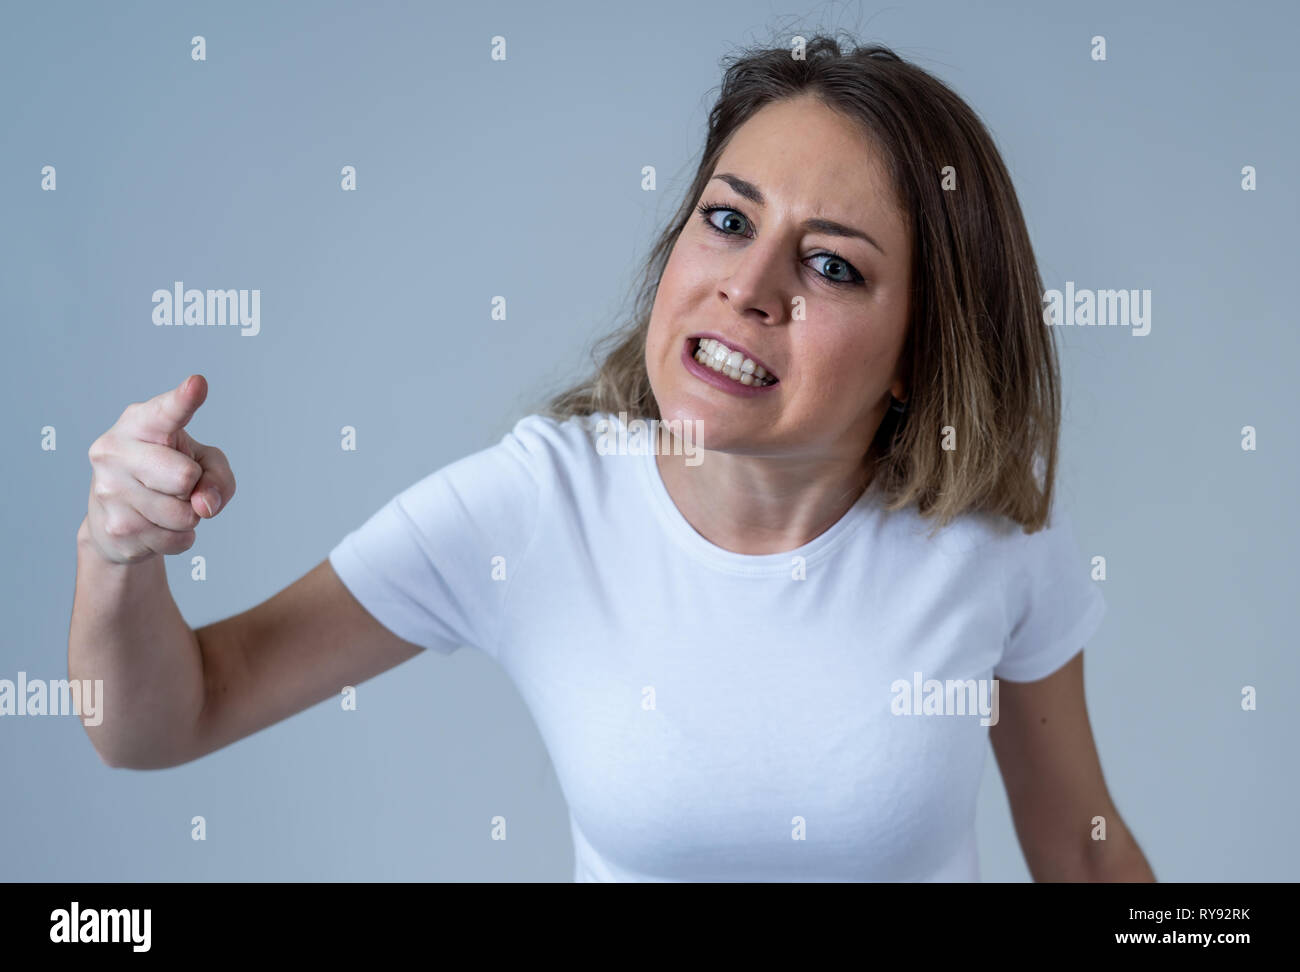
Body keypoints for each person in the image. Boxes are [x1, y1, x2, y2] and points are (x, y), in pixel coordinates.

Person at [69, 36, 1154, 882]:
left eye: (829, 263)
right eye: (728, 220)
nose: (749, 284)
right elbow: (170, 718)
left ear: (922, 350)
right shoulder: (537, 509)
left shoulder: (989, 542)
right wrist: (117, 552)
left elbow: (1084, 850)